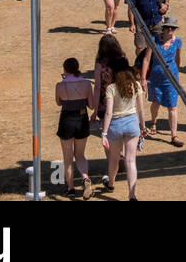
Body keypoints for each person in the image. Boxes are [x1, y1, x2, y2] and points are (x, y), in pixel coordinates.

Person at [100, 56, 145, 199]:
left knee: (114, 159)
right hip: (132, 123)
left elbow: (108, 112)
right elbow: (141, 109)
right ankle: (132, 195)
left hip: (115, 125)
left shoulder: (111, 88)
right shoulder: (136, 85)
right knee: (131, 161)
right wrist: (143, 127)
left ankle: (111, 183)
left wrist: (104, 133)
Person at [55, 58, 96, 198]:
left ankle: (71, 188)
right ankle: (85, 177)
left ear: (65, 69)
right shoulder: (86, 83)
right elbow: (91, 105)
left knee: (67, 158)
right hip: (82, 119)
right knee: (80, 155)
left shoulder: (60, 85)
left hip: (66, 120)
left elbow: (58, 103)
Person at [142, 15, 185, 146]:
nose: (170, 30)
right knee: (156, 103)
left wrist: (176, 73)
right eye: (168, 27)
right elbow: (146, 59)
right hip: (156, 78)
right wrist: (143, 78)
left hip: (171, 79)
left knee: (172, 107)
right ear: (164, 28)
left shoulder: (178, 42)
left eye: (173, 28)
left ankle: (174, 135)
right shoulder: (154, 40)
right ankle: (153, 122)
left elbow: (178, 59)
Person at [91, 34, 125, 136]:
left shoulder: (99, 64)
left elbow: (97, 87)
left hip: (105, 100)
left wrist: (95, 110)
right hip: (121, 98)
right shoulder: (123, 60)